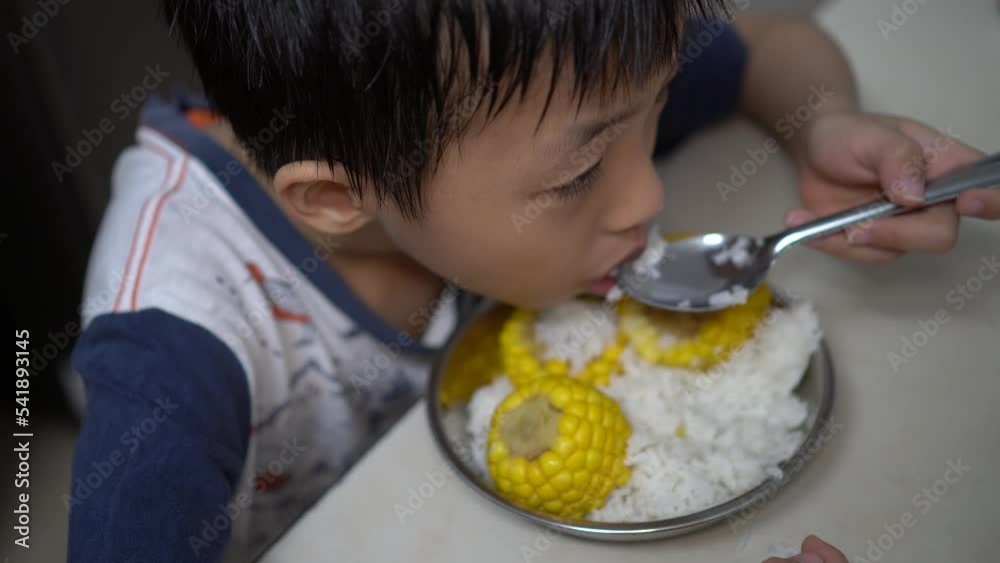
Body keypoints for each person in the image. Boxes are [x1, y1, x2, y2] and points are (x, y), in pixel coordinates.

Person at [66, 1, 997, 562]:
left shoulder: (551, 82)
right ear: (341, 197)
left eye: (657, 108)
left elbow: (767, 46)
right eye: (582, 174)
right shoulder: (171, 347)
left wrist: (823, 124)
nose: (649, 197)